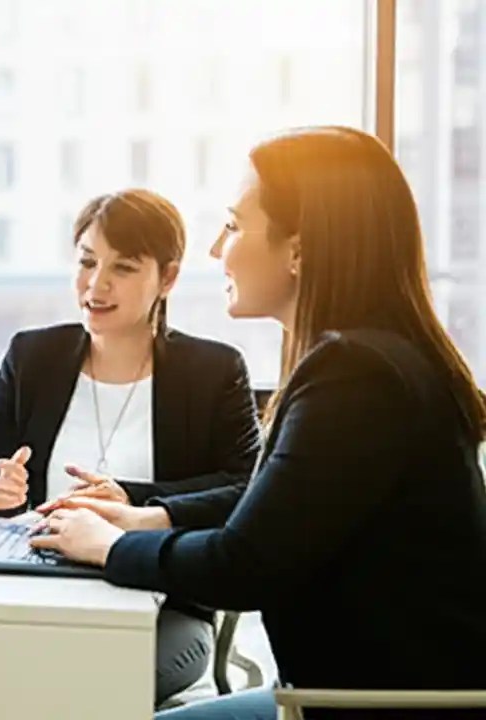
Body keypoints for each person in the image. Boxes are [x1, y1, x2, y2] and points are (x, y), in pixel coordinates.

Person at [33, 126, 486, 719]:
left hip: (374, 705)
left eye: (235, 225)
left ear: (298, 251)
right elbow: (286, 507)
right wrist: (152, 515)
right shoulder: (377, 358)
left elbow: (243, 566)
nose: (219, 249)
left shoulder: (355, 375)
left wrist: (113, 548)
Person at [0, 188, 261, 704]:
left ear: (167, 278)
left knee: (80, 689)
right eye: (86, 262)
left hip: (166, 605)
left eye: (123, 267)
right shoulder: (33, 356)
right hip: (32, 588)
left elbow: (244, 490)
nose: (96, 285)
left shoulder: (213, 371)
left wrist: (132, 500)